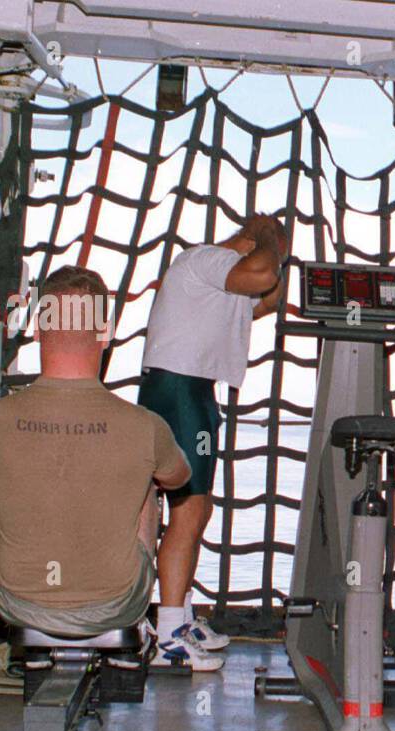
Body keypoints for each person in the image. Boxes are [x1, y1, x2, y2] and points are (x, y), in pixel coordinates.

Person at [0, 266, 198, 655]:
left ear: (38, 329)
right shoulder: (145, 426)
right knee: (149, 481)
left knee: (6, 471)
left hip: (15, 602)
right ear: (105, 333)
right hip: (115, 605)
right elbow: (180, 479)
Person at [139, 214, 288, 668]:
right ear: (249, 240)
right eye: (268, 246)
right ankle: (168, 637)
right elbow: (263, 272)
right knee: (186, 511)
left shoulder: (223, 285)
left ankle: (178, 614)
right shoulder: (202, 262)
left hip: (196, 392)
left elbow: (269, 298)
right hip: (178, 390)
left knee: (196, 511)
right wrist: (267, 234)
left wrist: (278, 252)